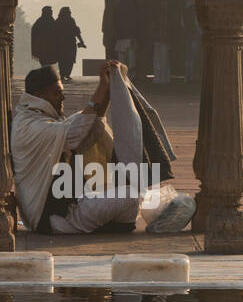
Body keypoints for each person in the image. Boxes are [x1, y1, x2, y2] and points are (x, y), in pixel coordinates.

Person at [11, 61, 144, 234]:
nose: (62, 98)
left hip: (64, 206)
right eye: (57, 93)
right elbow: (75, 134)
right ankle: (101, 225)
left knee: (127, 193)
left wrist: (110, 89)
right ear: (39, 95)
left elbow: (89, 125)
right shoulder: (28, 125)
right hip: (56, 217)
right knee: (133, 196)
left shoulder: (39, 119)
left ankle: (106, 223)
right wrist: (102, 86)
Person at [54, 6, 86, 82]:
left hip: (62, 44)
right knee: (69, 60)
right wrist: (82, 42)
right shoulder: (70, 20)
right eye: (68, 12)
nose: (69, 13)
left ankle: (63, 74)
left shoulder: (58, 21)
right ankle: (66, 74)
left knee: (64, 60)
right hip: (69, 43)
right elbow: (76, 32)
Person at [111, 0, 138, 71]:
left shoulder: (117, 6)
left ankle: (122, 77)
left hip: (120, 37)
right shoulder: (132, 5)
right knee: (131, 60)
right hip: (129, 36)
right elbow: (134, 21)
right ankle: (129, 77)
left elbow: (114, 21)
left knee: (121, 59)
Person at [180, 0, 200, 84]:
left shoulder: (184, 10)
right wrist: (198, 33)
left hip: (187, 35)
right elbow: (197, 23)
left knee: (188, 56)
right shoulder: (194, 9)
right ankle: (191, 76)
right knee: (192, 57)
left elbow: (182, 24)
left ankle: (186, 76)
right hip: (194, 35)